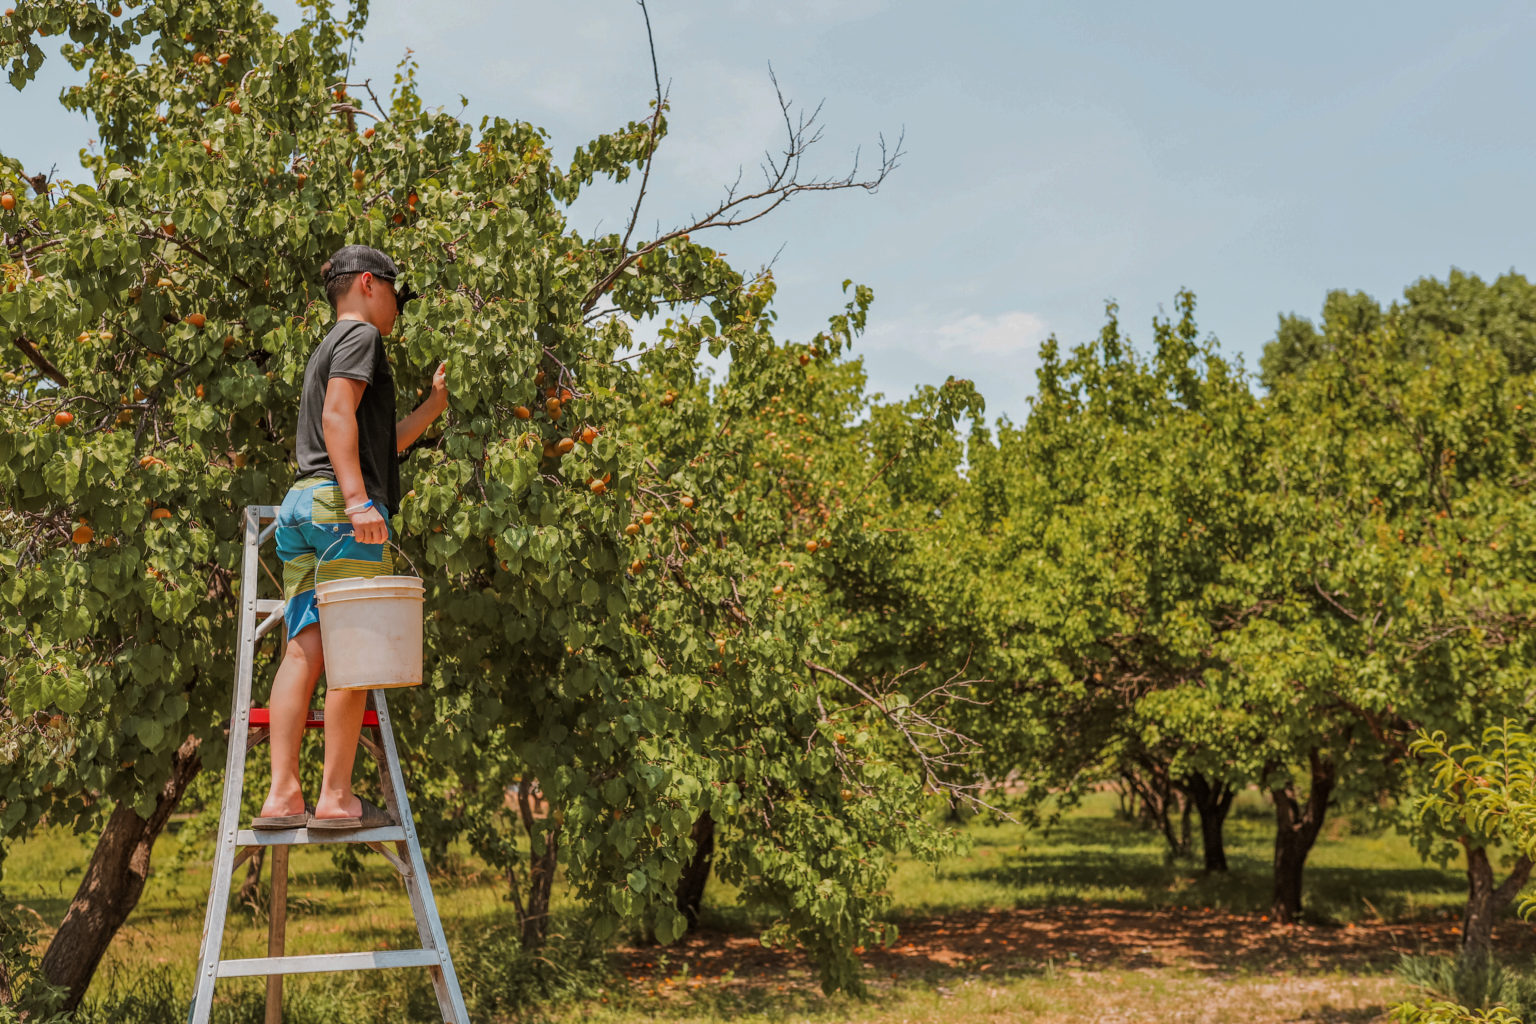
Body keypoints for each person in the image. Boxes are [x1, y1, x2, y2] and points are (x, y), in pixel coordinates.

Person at [251, 244, 446, 831]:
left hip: (304, 506)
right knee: (352, 656)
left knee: (302, 649)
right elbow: (339, 418)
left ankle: (282, 795)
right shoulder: (362, 338)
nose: (397, 307)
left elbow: (380, 442)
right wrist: (360, 502)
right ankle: (336, 797)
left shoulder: (326, 347)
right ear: (367, 283)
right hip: (341, 508)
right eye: (394, 292)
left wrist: (434, 405)